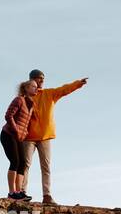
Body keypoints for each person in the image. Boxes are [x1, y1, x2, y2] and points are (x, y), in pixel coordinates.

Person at [21, 69, 87, 205]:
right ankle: (21, 193)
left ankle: (47, 195)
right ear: (32, 80)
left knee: (46, 167)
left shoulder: (49, 94)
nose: (42, 80)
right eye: (39, 78)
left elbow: (64, 89)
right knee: (25, 165)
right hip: (28, 137)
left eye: (43, 78)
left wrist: (78, 84)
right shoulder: (25, 97)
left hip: (45, 137)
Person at [1, 79, 36, 200]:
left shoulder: (30, 105)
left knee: (22, 163)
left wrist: (24, 133)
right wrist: (16, 130)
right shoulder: (19, 100)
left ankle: (19, 192)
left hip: (19, 137)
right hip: (8, 134)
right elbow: (8, 115)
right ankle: (11, 193)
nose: (36, 88)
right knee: (15, 161)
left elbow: (26, 124)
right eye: (33, 86)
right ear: (26, 88)